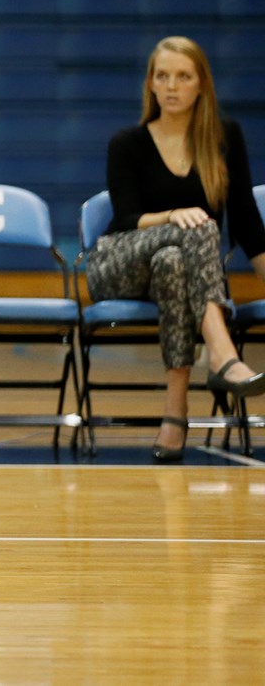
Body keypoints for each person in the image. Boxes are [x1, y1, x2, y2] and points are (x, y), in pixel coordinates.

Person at [87, 36, 265, 463]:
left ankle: (175, 413)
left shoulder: (225, 138)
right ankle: (222, 354)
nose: (171, 86)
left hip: (178, 271)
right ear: (150, 84)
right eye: (162, 76)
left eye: (182, 77)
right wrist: (173, 214)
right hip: (119, 262)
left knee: (174, 262)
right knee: (196, 224)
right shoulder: (126, 143)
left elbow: (245, 221)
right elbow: (128, 217)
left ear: (201, 84)